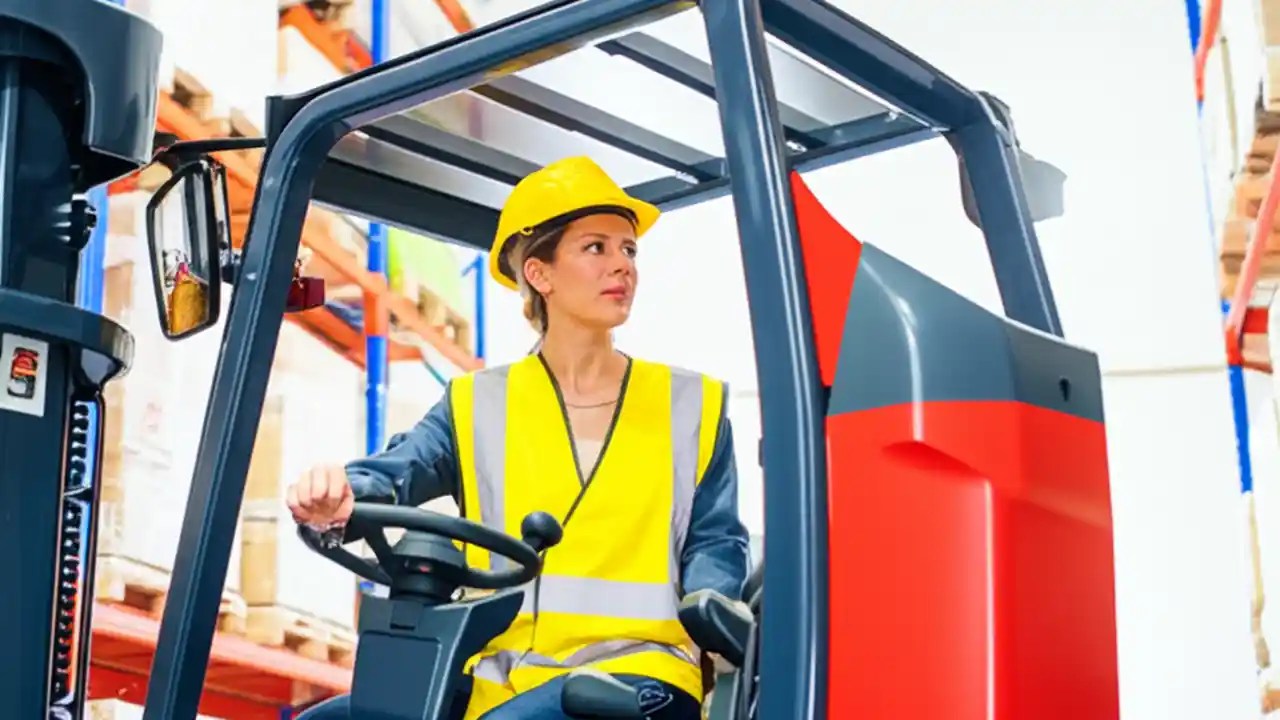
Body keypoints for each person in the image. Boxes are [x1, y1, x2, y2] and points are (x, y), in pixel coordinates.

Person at [287, 156, 751, 720]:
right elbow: (398, 472)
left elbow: (716, 543)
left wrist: (715, 609)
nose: (622, 266)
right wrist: (338, 495)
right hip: (501, 679)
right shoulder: (476, 403)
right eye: (596, 248)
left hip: (638, 678)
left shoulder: (692, 405)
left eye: (628, 250)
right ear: (540, 273)